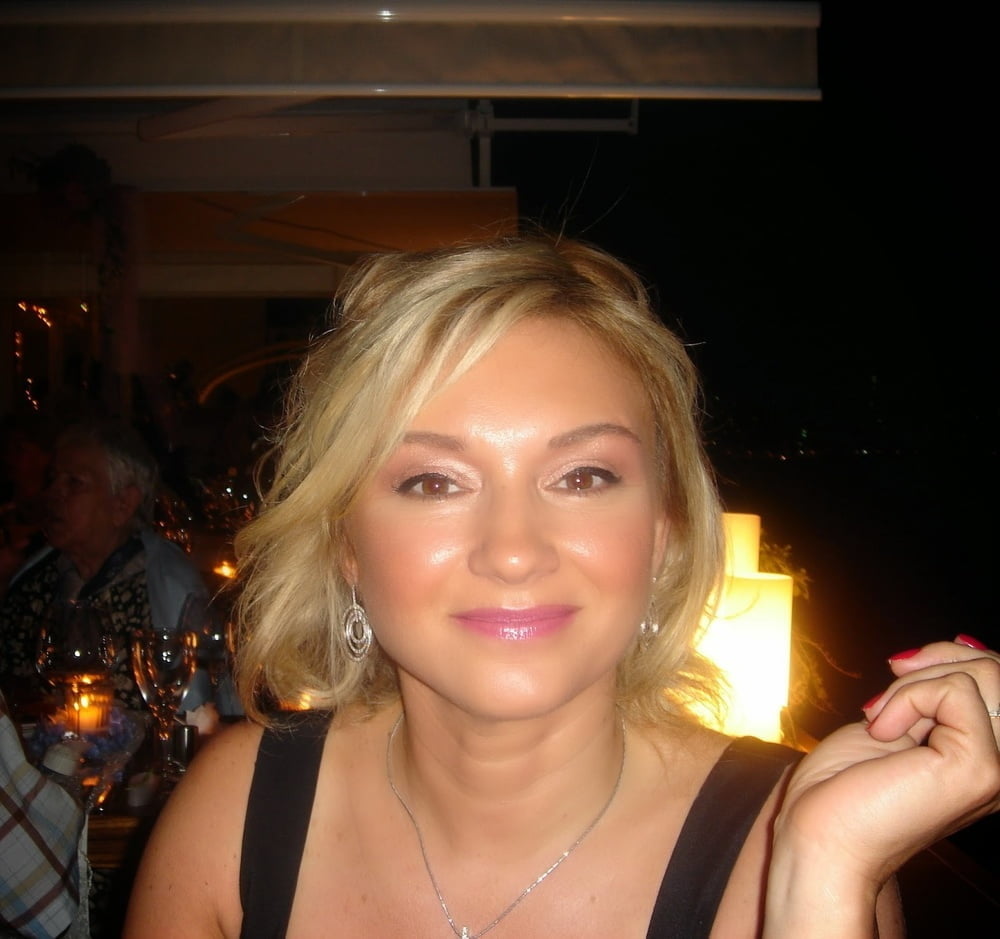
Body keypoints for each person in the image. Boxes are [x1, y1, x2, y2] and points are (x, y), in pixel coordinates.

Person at [125, 235, 1000, 938]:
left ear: (664, 532)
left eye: (583, 476)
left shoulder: (786, 844)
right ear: (346, 544)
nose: (514, 551)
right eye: (433, 481)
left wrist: (822, 871)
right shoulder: (232, 814)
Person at [0, 418, 211, 716]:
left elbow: (189, 710)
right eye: (53, 480)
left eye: (74, 482)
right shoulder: (31, 580)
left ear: (123, 504)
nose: (54, 494)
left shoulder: (165, 588)